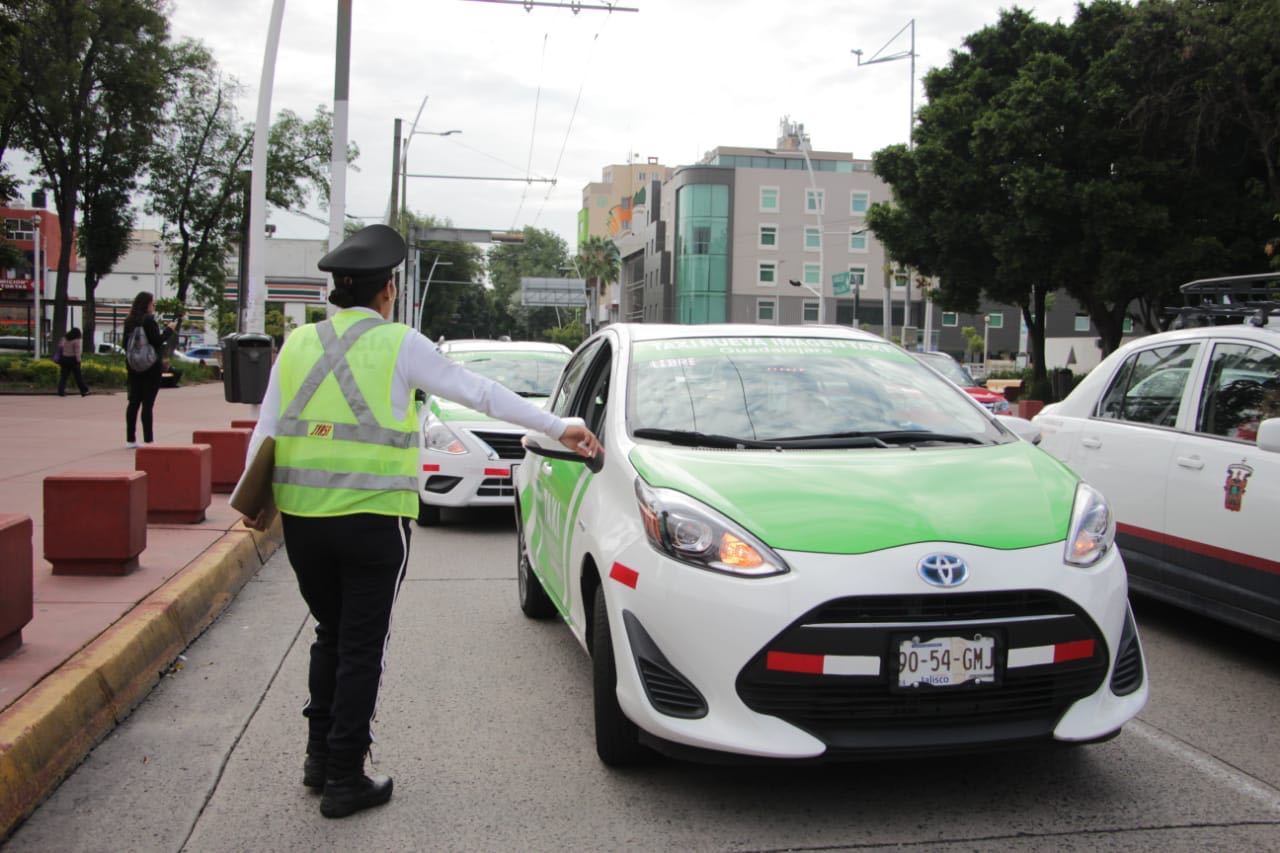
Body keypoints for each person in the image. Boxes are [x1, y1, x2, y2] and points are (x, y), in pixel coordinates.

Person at [237, 224, 600, 820]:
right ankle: (346, 776)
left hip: (304, 524)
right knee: (360, 643)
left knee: (331, 632)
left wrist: (248, 502)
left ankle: (318, 758)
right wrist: (559, 426)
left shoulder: (299, 344)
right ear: (389, 290)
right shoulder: (401, 344)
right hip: (373, 523)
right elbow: (479, 393)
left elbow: (267, 429)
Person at [122, 291, 175, 448]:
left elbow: (125, 345)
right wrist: (169, 330)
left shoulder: (129, 321)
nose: (153, 306)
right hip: (151, 366)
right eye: (152, 303)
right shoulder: (149, 321)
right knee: (148, 403)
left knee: (134, 402)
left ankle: (130, 439)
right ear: (147, 304)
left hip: (134, 366)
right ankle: (148, 439)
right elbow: (157, 341)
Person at [55, 327, 90, 397]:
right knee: (78, 377)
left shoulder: (64, 339)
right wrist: (79, 361)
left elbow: (60, 346)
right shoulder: (76, 341)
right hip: (73, 360)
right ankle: (83, 391)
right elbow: (77, 352)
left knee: (64, 376)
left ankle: (61, 391)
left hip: (64, 359)